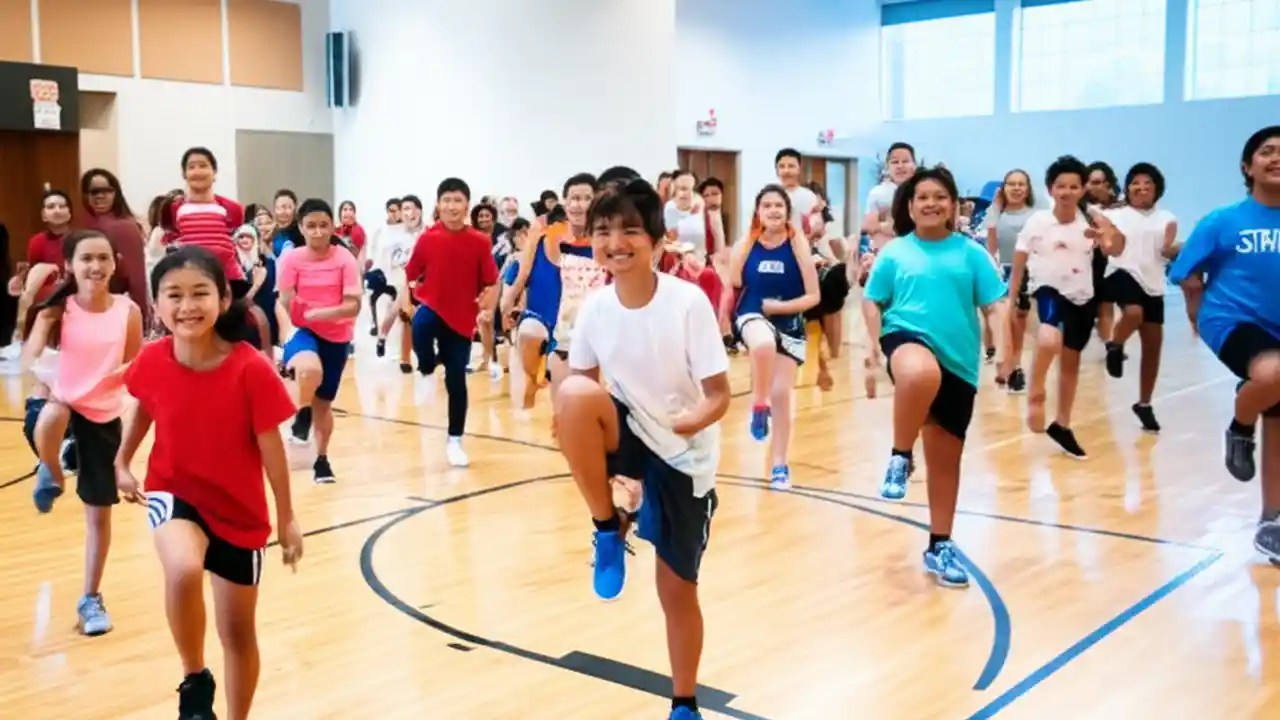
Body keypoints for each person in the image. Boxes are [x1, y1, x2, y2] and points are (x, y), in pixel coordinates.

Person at [556, 177, 730, 720]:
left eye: (631, 229)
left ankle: (684, 703)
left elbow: (719, 395)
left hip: (685, 452)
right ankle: (608, 527)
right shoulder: (596, 308)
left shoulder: (688, 302)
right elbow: (582, 390)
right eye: (604, 230)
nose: (616, 241)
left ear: (656, 240)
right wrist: (609, 467)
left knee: (676, 589)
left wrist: (689, 421)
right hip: (632, 430)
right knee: (574, 394)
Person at [116, 246, 302, 720]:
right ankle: (194, 678)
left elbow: (272, 451)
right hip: (172, 491)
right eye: (173, 295)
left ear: (222, 299)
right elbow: (144, 407)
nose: (187, 306)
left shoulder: (250, 368)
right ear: (156, 304)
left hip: (239, 512)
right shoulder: (154, 358)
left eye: (200, 293)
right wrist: (122, 460)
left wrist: (288, 517)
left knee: (237, 633)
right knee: (182, 569)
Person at [862, 167, 1007, 585]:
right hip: (904, 337)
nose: (930, 203)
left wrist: (1004, 355)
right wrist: (873, 347)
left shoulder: (971, 254)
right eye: (922, 197)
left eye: (939, 196)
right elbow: (873, 301)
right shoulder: (895, 253)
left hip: (959, 362)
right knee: (919, 374)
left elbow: (995, 306)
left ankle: (939, 544)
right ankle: (900, 455)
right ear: (909, 207)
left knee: (946, 461)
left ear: (954, 206)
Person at [22, 229, 144, 634]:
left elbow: (131, 366)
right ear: (70, 265)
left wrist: (124, 458)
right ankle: (52, 469)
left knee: (99, 513)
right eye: (86, 258)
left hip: (102, 413)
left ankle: (91, 598)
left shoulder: (128, 311)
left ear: (114, 263)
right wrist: (31, 304)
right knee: (55, 414)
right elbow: (30, 357)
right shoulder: (58, 310)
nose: (95, 266)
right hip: (55, 403)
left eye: (103, 258)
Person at [1169, 126, 1280, 563]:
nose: (1276, 158)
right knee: (1272, 376)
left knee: (1278, 411)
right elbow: (1186, 271)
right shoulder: (1223, 220)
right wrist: (1196, 308)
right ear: (1247, 166)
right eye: (1267, 151)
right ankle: (1240, 420)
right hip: (1233, 319)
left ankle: (1272, 520)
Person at [1006, 155, 1126, 459]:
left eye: (1074, 186)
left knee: (1071, 364)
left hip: (1083, 295)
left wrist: (1106, 238)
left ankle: (1062, 424)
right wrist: (1012, 295)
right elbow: (1020, 258)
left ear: (1083, 189)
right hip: (1048, 289)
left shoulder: (1093, 217)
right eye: (1061, 186)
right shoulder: (1038, 221)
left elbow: (1117, 247)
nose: (1067, 192)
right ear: (1050, 189)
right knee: (1048, 338)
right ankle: (1036, 391)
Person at [402, 178, 499, 467]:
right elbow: (410, 272)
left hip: (461, 318)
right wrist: (408, 299)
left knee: (457, 380)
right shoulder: (428, 238)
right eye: (446, 200)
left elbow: (490, 281)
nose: (452, 206)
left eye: (457, 201)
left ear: (466, 205)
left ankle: (454, 439)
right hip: (432, 305)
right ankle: (427, 369)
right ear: (438, 204)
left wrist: (485, 306)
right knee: (421, 324)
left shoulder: (480, 242)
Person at [730, 185, 820, 489]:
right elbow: (732, 287)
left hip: (789, 321)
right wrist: (723, 327)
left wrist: (781, 307)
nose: (772, 210)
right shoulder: (746, 244)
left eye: (778, 205)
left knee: (784, 395)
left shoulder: (798, 245)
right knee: (763, 342)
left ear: (787, 211)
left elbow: (813, 296)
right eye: (766, 205)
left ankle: (780, 464)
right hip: (753, 314)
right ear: (758, 211)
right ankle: (759, 404)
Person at [277, 199, 362, 484]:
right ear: (301, 228)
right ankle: (302, 413)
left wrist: (318, 313)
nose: (317, 232)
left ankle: (322, 459)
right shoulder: (291, 259)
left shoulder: (344, 259)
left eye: (323, 225)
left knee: (323, 406)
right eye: (310, 226)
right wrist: (290, 328)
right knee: (309, 370)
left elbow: (352, 306)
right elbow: (285, 300)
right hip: (303, 332)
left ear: (331, 227)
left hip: (337, 336)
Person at [1102, 162, 1178, 432]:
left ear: (1157, 189)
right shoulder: (1117, 215)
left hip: (1154, 282)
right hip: (1122, 272)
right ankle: (1114, 344)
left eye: (1147, 184)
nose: (1141, 188)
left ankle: (1144, 404)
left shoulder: (1166, 218)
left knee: (1153, 346)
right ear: (1128, 188)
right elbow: (1108, 244)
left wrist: (1187, 249)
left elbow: (1167, 251)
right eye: (1135, 183)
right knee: (1133, 313)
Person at [988, 169, 1037, 392]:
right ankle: (1006, 364)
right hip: (1002, 272)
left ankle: (1014, 366)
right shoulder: (996, 215)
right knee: (1004, 320)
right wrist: (996, 206)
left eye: (1021, 184)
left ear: (1028, 189)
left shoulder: (1036, 216)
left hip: (1028, 273)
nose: (1016, 188)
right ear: (1004, 188)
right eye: (1011, 184)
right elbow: (991, 247)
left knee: (1017, 324)